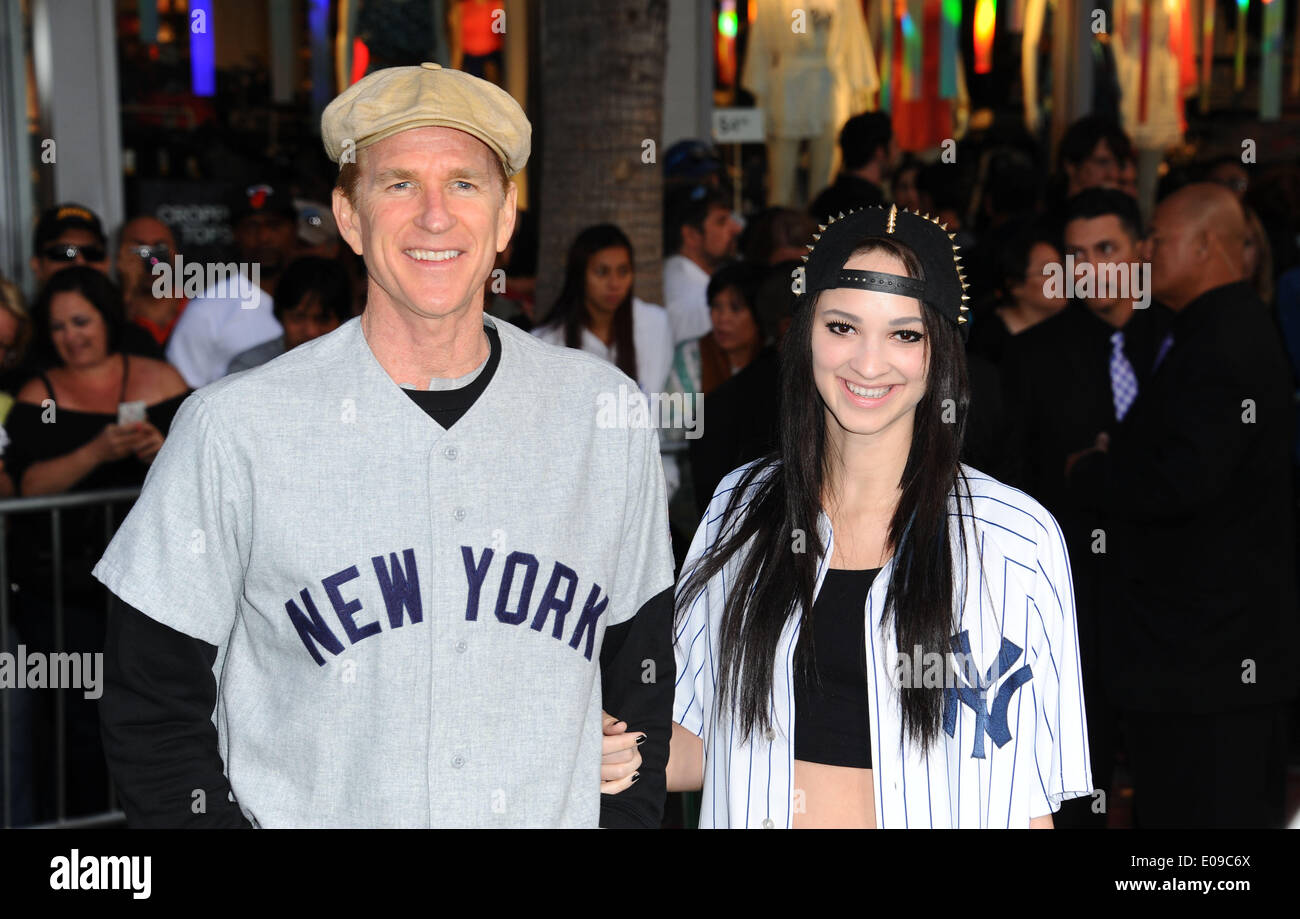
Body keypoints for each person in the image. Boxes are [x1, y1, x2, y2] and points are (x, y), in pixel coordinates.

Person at [93, 62, 673, 828]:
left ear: (505, 219)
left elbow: (641, 673)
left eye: (465, 184)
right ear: (348, 214)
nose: (435, 216)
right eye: (399, 184)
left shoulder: (603, 415)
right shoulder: (234, 427)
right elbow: (151, 706)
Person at [666, 205, 1092, 827]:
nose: (868, 363)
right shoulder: (740, 509)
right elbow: (694, 740)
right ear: (803, 332)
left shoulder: (1017, 539)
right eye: (842, 327)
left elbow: (1028, 801)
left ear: (940, 353)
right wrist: (593, 733)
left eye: (904, 334)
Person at [1067, 183, 1299, 828]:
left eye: (1157, 240)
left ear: (1205, 246)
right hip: (1192, 657)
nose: (1146, 250)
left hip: (1214, 660)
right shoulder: (1202, 329)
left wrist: (1096, 471)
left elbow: (1182, 481)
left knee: (1209, 838)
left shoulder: (1225, 338)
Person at [1000, 188, 1170, 827]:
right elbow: (1018, 486)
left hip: (1177, 609)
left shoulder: (1181, 343)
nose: (1094, 268)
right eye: (1078, 254)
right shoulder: (1031, 357)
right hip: (1074, 606)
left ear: (1141, 251)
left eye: (1108, 250)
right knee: (1075, 781)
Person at [2, 266, 189, 820]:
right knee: (74, 723)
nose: (71, 336)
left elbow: (207, 473)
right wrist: (95, 452)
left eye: (81, 320)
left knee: (157, 716)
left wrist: (164, 453)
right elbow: (25, 485)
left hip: (155, 590)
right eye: (57, 327)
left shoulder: (166, 380)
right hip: (62, 593)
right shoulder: (37, 393)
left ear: (106, 319)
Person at [164, 182, 296, 388]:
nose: (264, 237)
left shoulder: (316, 297)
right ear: (235, 235)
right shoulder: (208, 309)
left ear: (294, 230)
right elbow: (179, 392)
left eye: (274, 225)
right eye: (251, 227)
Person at [531, 224, 672, 396]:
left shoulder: (656, 324)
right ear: (580, 275)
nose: (614, 284)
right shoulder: (546, 341)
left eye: (623, 271)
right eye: (601, 272)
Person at [964, 218, 1066, 365]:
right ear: (1016, 286)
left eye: (1062, 267)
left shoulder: (1068, 331)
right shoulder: (987, 344)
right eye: (1049, 271)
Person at [225, 257, 353, 374]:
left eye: (323, 319)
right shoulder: (248, 370)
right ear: (280, 316)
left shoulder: (358, 368)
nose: (311, 331)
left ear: (343, 320)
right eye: (298, 318)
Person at [668, 262, 763, 400]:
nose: (723, 318)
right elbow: (673, 420)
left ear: (758, 313)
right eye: (716, 306)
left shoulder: (775, 360)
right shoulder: (691, 357)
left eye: (735, 308)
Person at [662, 185, 742, 346]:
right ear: (691, 235)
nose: (736, 228)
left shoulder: (672, 273)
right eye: (721, 222)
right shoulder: (696, 301)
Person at [115, 214, 188, 349]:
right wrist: (128, 295)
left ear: (176, 255)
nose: (152, 259)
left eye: (160, 250)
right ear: (119, 256)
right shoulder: (105, 311)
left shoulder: (197, 308)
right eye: (140, 250)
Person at [808, 112, 894, 224]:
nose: (898, 153)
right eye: (895, 145)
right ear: (880, 152)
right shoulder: (880, 213)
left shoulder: (824, 201)